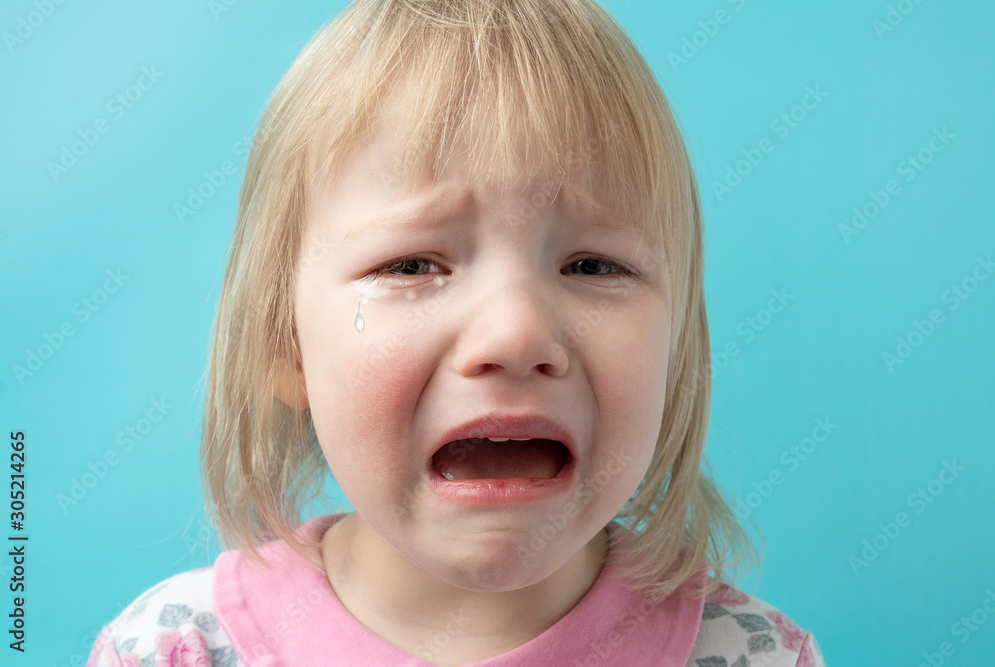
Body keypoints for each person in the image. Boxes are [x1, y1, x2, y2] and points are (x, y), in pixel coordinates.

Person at [87, 0, 827, 664]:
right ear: (284, 344)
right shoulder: (169, 651)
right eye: (412, 263)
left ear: (674, 351)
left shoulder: (752, 657)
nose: (515, 334)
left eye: (594, 265)